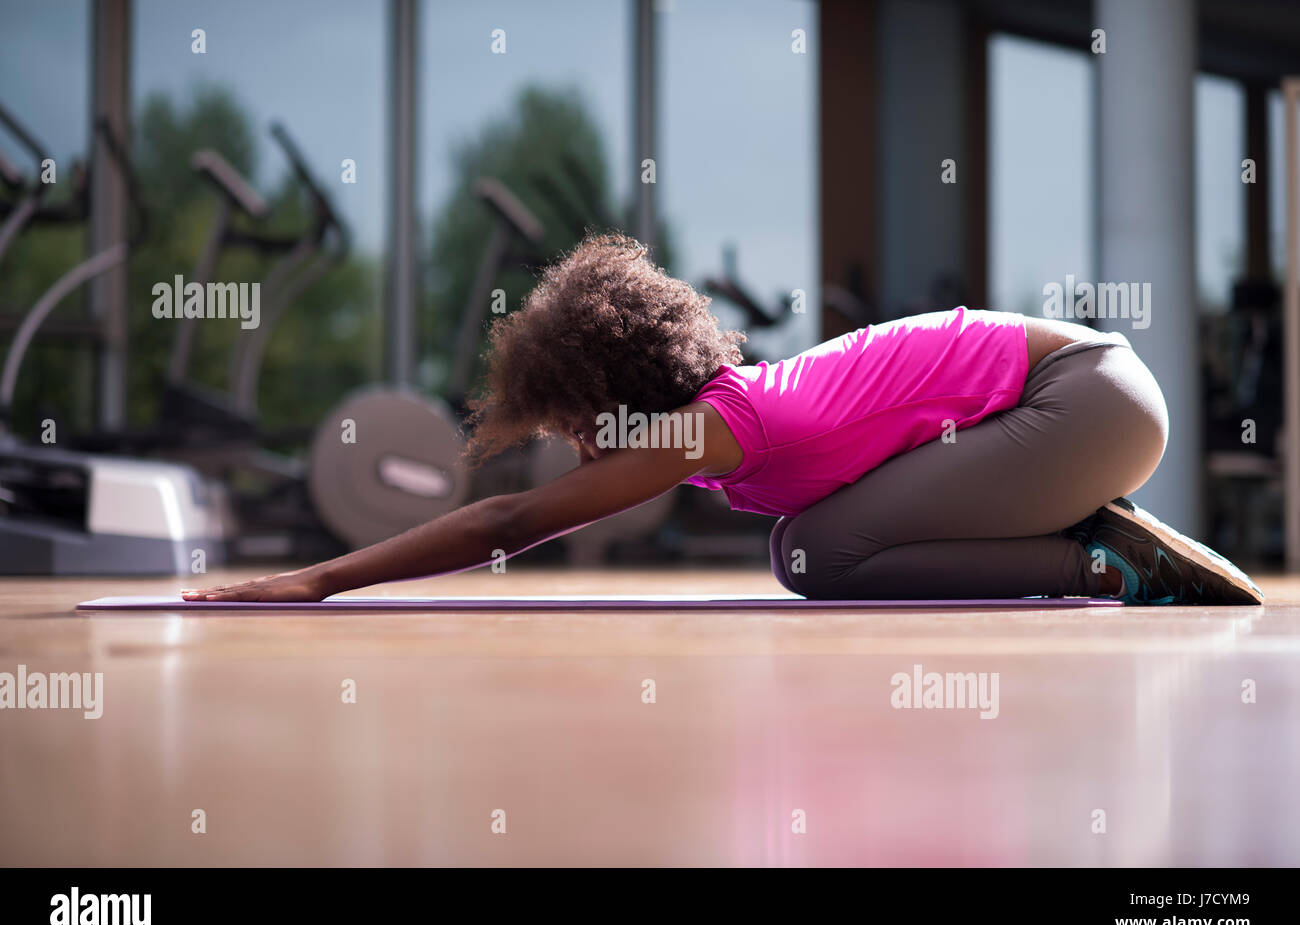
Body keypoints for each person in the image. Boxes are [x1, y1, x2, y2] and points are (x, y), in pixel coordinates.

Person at [183, 233, 1262, 605]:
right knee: (812, 545)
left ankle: (1103, 567)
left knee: (818, 555)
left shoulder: (708, 428)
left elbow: (510, 524)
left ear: (618, 392)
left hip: (1083, 398)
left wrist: (318, 577)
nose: (574, 446)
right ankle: (1090, 546)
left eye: (574, 420)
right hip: (1082, 400)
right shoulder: (724, 426)